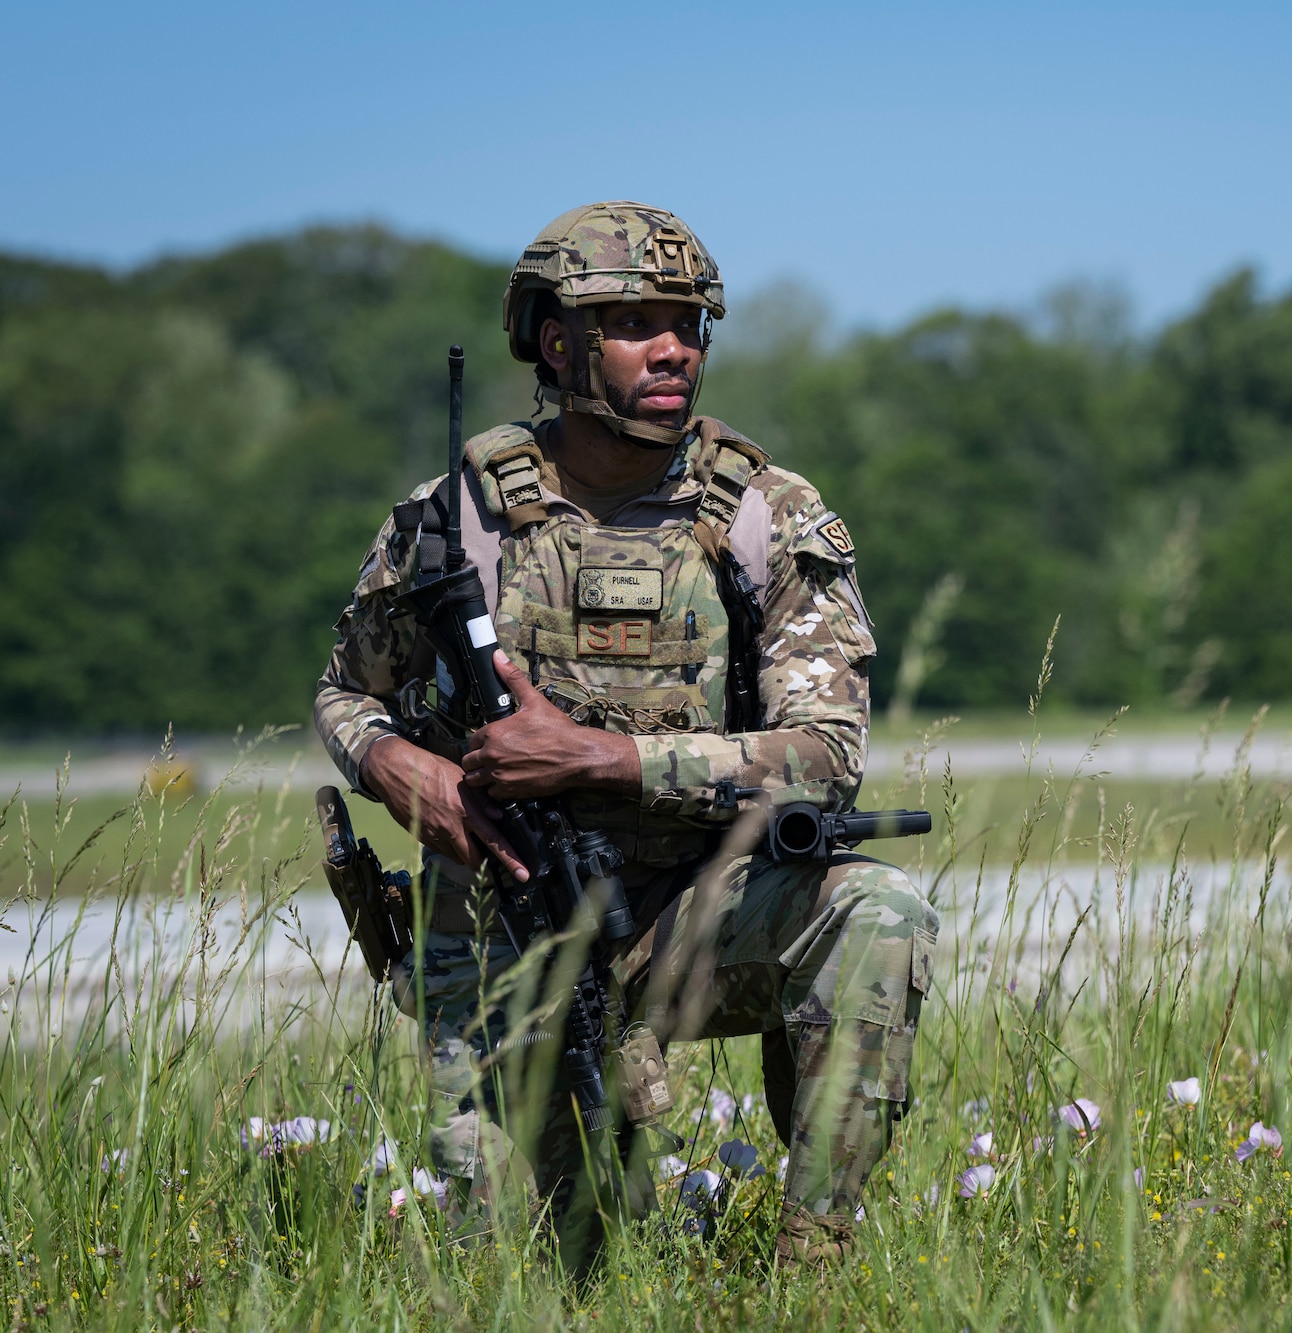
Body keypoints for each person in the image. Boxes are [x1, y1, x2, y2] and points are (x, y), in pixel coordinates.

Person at [312, 200, 937, 1272]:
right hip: (510, 928)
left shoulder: (764, 516)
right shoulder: (454, 518)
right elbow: (341, 694)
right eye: (638, 322)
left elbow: (826, 757)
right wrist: (390, 762)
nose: (675, 348)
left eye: (689, 324)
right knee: (553, 1258)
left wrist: (603, 758)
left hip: (696, 911)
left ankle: (815, 1263)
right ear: (559, 342)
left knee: (877, 912)